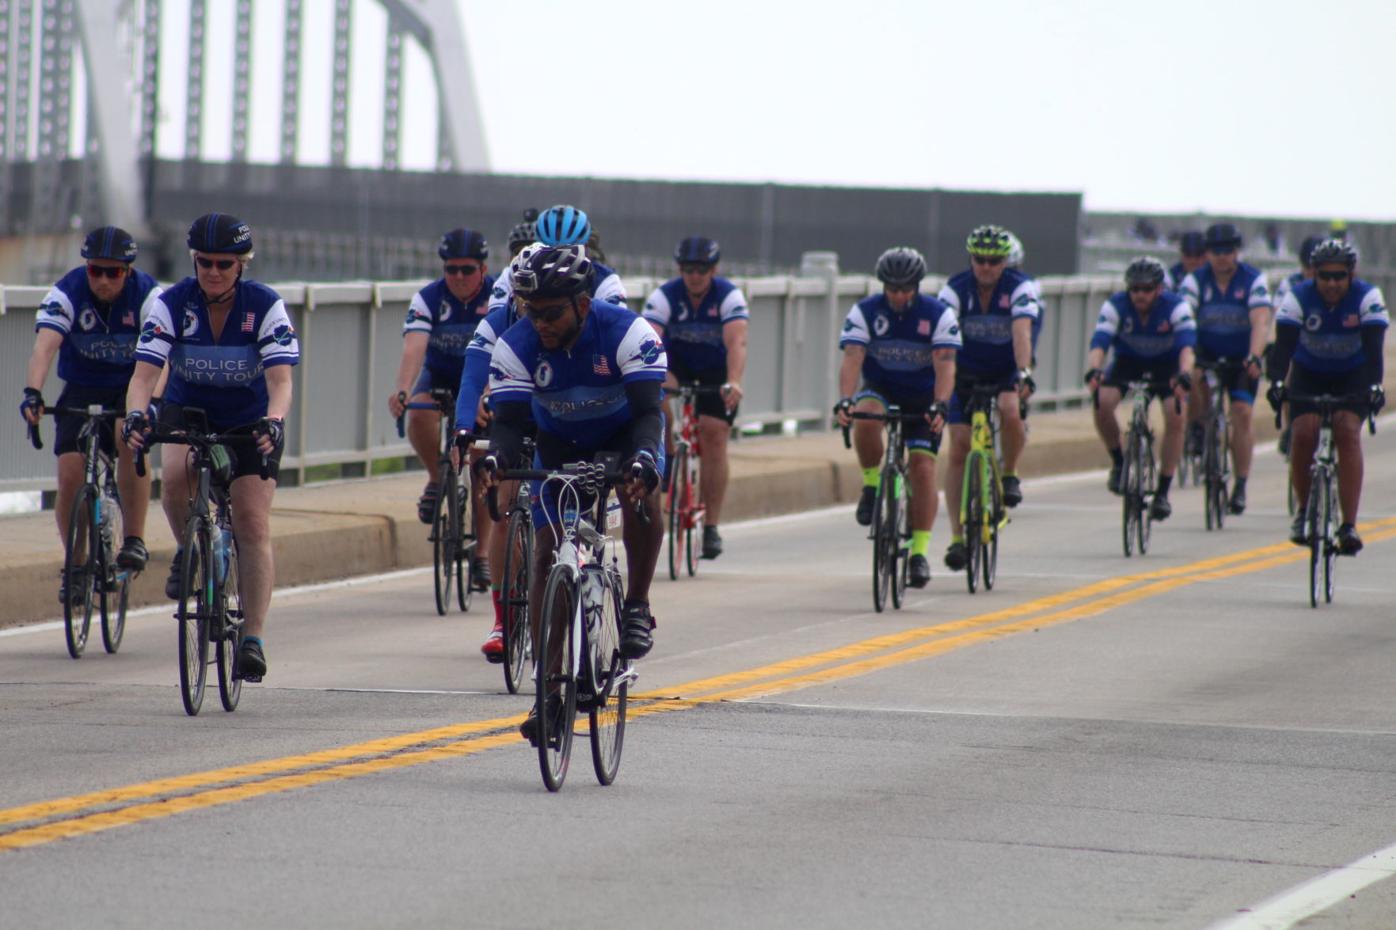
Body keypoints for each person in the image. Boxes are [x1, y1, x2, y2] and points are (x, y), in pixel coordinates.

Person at [476, 244, 666, 745]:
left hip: (624, 438)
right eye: (532, 311)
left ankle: (638, 606)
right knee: (545, 554)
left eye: (553, 312)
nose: (541, 323)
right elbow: (511, 425)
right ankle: (550, 694)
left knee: (644, 499)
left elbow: (650, 413)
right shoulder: (515, 346)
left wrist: (643, 460)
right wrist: (496, 458)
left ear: (583, 303)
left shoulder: (628, 333)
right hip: (558, 444)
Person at [122, 213, 298, 680]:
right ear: (194, 261)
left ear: (241, 265)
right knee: (175, 478)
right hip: (189, 408)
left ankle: (253, 638)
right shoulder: (171, 303)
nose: (213, 272)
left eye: (224, 263)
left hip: (249, 418)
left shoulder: (264, 306)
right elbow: (142, 377)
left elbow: (281, 381)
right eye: (204, 263)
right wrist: (137, 415)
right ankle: (195, 550)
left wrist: (275, 422)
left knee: (252, 522)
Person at [20, 227, 163, 597]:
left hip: (129, 386)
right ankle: (76, 565)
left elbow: (163, 361)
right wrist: (33, 392)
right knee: (69, 476)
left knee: (128, 441)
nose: (102, 280)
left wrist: (152, 407)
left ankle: (133, 538)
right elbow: (44, 349)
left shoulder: (149, 295)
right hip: (81, 389)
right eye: (95, 270)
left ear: (128, 271)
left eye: (112, 272)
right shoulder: (67, 291)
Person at [834, 247, 958, 589]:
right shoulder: (865, 311)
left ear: (917, 286)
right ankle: (873, 484)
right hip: (882, 389)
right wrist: (845, 400)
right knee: (866, 415)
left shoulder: (938, 314)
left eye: (906, 289)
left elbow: (946, 364)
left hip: (924, 397)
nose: (899, 295)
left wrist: (941, 404)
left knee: (922, 467)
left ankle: (918, 552)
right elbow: (853, 356)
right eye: (892, 288)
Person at [386, 228, 496, 588]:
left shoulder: (498, 296)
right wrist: (402, 390)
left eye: (467, 270)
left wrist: (490, 393)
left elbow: (508, 348)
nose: (459, 278)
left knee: (481, 466)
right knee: (418, 411)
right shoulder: (429, 298)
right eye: (451, 270)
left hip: (482, 382)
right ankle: (436, 477)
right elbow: (414, 348)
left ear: (483, 268)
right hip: (441, 374)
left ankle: (481, 555)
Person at [1267, 239, 1387, 553]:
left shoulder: (1368, 298)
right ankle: (1305, 510)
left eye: (1339, 276)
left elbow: (1375, 353)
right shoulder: (1298, 298)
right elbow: (1282, 349)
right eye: (1324, 276)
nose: (1331, 283)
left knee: (1347, 431)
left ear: (1351, 274)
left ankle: (1348, 525)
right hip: (1310, 373)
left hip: (1353, 375)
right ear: (1313, 275)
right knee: (1303, 432)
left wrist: (1375, 386)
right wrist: (1277, 382)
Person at [938, 225, 1042, 573]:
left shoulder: (1019, 287)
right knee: (958, 447)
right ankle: (956, 537)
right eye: (979, 260)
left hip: (1004, 371)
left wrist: (1023, 372)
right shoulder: (955, 288)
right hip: (964, 373)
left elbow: (1022, 331)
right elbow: (943, 332)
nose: (986, 267)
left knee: (1011, 408)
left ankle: (1009, 473)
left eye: (994, 261)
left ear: (1004, 262)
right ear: (971, 259)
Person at [641, 236, 749, 559]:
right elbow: (648, 341)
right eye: (688, 269)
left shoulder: (729, 296)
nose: (695, 275)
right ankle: (670, 454)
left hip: (717, 372)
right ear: (680, 269)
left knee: (714, 433)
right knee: (655, 394)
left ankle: (712, 527)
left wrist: (733, 381)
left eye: (702, 269)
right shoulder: (665, 296)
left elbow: (737, 343)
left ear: (713, 270)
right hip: (678, 366)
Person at [1084, 258, 1195, 519]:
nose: (1140, 295)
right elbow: (1100, 342)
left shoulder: (1177, 306)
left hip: (1167, 366)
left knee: (1175, 414)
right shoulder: (1116, 305)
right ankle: (1119, 462)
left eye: (1146, 289)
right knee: (1102, 401)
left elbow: (1187, 347)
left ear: (1159, 289)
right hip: (1128, 362)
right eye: (1135, 289)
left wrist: (1184, 376)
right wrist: (1095, 370)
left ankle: (1163, 492)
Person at [1177, 222, 1271, 515]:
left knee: (1241, 414)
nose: (1221, 256)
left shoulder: (1253, 280)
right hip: (1206, 354)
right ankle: (1197, 427)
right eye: (1215, 251)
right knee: (1192, 377)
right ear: (1208, 253)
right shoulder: (1195, 281)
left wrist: (1255, 356)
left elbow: (1260, 322)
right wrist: (1185, 357)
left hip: (1241, 359)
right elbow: (1185, 321)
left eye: (1227, 250)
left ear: (1236, 251)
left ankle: (1240, 485)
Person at [486, 204, 626, 316]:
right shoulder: (513, 273)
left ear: (586, 248)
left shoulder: (606, 281)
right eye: (550, 251)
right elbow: (493, 325)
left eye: (570, 252)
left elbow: (614, 326)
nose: (560, 262)